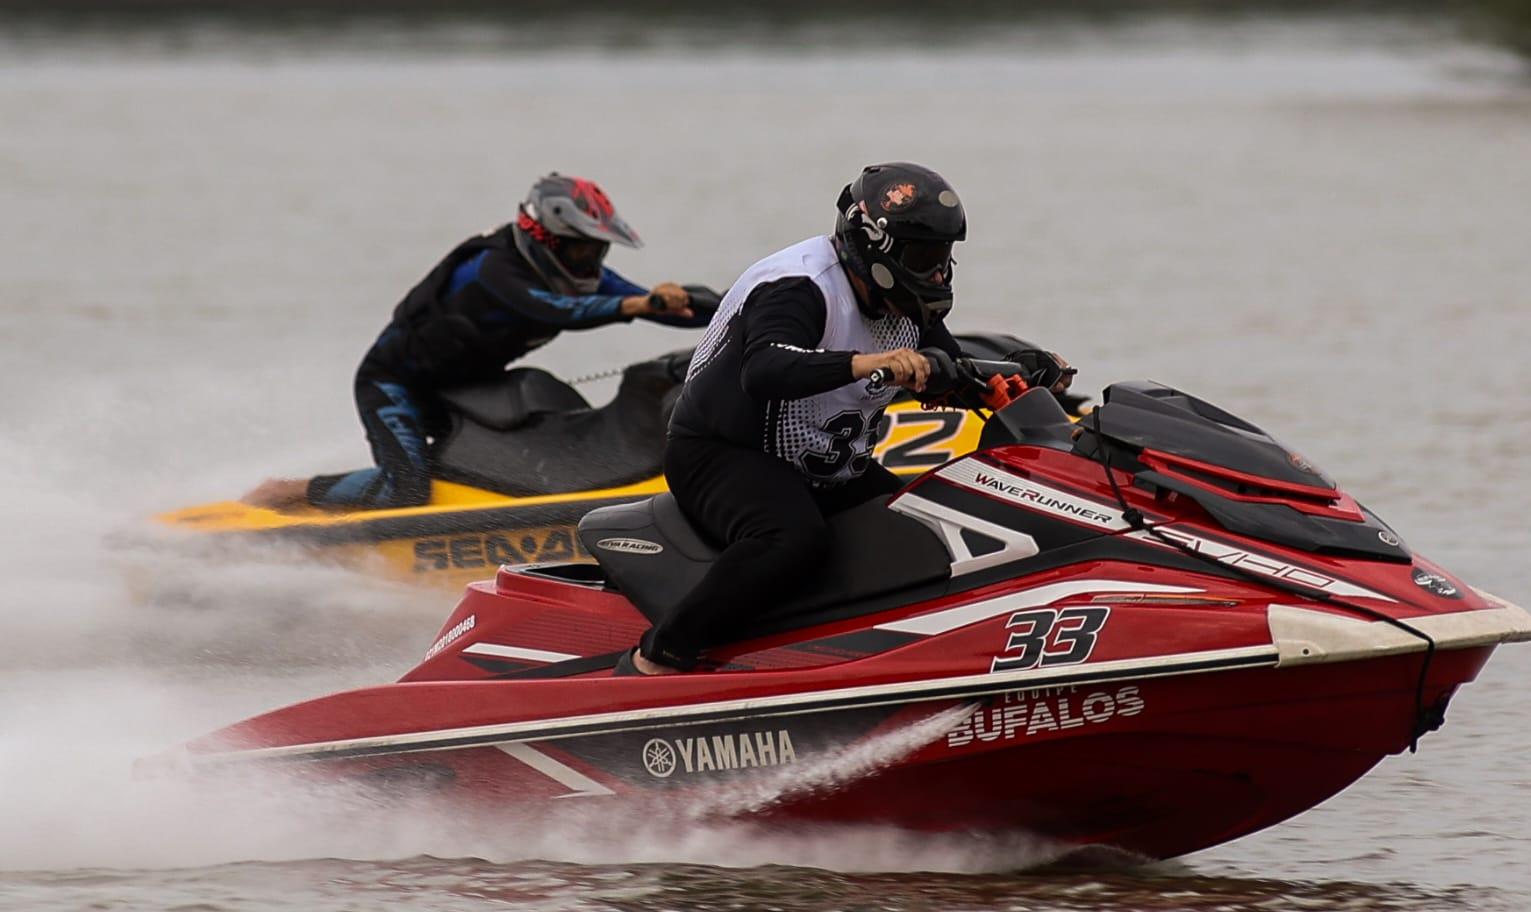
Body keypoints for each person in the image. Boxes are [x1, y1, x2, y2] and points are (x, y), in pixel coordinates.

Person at [625, 162, 1070, 675]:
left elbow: (948, 372)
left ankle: (888, 649)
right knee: (791, 540)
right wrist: (867, 364)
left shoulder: (908, 304)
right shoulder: (801, 285)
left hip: (823, 468)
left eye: (943, 256)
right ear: (874, 245)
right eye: (924, 256)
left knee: (927, 517)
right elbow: (764, 369)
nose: (938, 272)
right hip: (722, 454)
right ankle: (660, 655)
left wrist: (1022, 380)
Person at [243, 174, 713, 510]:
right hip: (397, 386)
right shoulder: (491, 270)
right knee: (407, 488)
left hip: (475, 390)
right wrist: (638, 305)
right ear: (545, 238)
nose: (590, 260)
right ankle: (290, 493)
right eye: (581, 248)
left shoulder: (581, 275)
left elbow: (666, 308)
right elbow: (555, 311)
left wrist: (744, 305)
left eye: (597, 250)